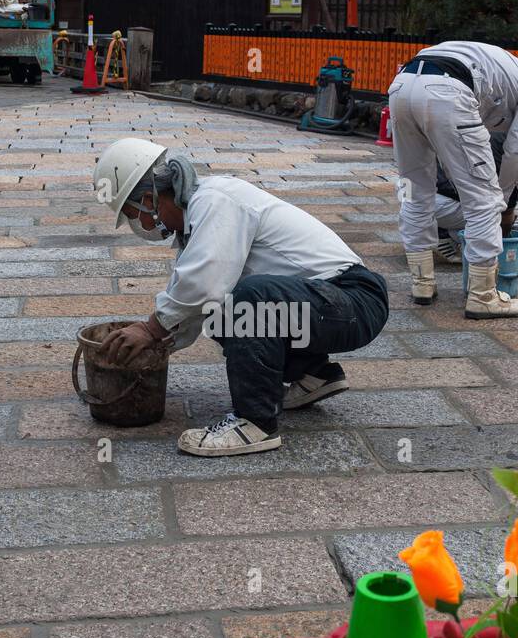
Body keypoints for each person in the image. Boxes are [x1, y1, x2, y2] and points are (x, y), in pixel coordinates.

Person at [92, 138, 389, 457]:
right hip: (329, 304)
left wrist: (151, 329)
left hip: (354, 300)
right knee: (221, 314)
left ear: (149, 199)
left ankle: (254, 423)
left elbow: (203, 283)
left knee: (249, 299)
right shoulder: (196, 222)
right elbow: (194, 305)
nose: (142, 225)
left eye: (134, 215)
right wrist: (159, 343)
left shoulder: (215, 199)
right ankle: (312, 374)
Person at [388, 40, 518, 315]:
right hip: (447, 89)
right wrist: (503, 204)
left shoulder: (507, 74)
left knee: (414, 189)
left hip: (402, 86)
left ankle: (422, 284)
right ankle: (483, 296)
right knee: (483, 200)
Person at [432, 129, 518, 267]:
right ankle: (450, 240)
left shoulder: (490, 125)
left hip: (419, 199)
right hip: (440, 203)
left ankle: (444, 233)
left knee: (486, 206)